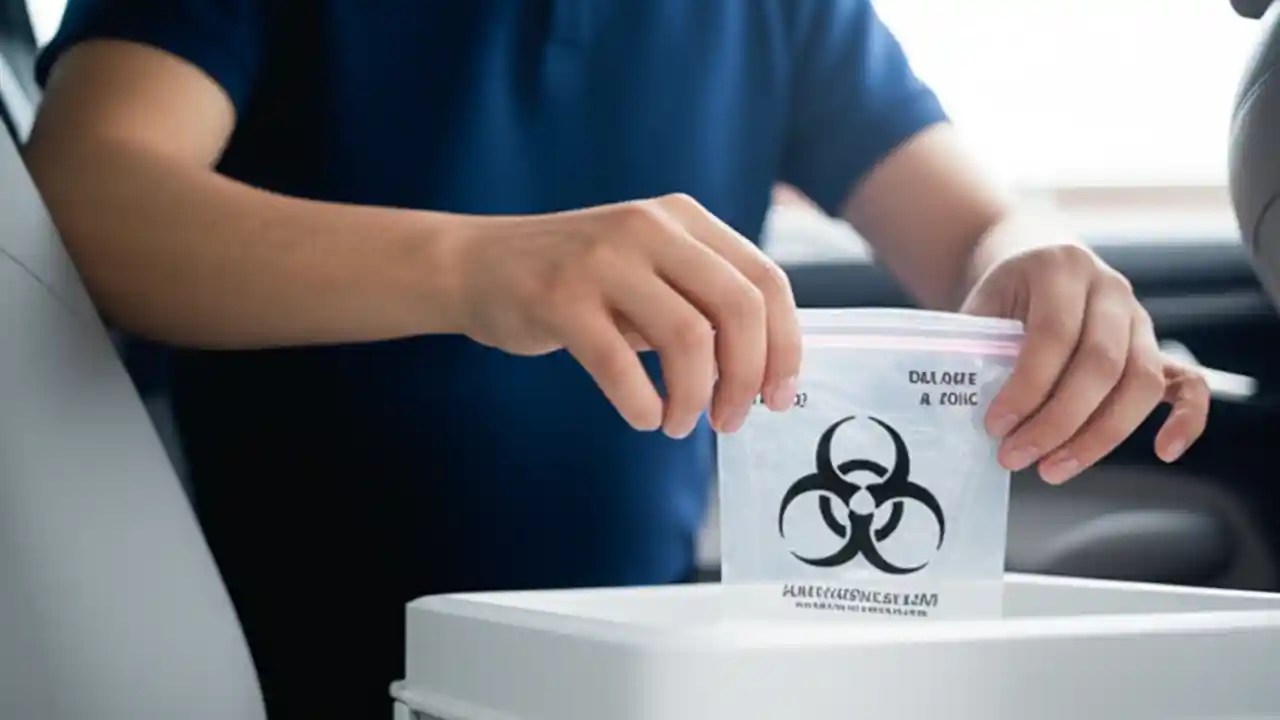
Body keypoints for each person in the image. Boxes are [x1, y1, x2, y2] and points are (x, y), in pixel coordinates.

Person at [23, 1, 1209, 716]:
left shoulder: (780, 14)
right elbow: (79, 198)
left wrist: (1039, 262)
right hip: (292, 668)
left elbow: (971, 231)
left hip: (625, 671)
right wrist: (477, 264)